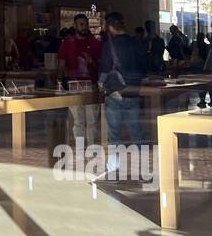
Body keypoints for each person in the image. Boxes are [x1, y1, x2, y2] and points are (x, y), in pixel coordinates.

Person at [98, 11, 146, 179]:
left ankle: (113, 169)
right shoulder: (136, 43)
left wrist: (100, 84)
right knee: (136, 132)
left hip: (116, 93)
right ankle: (143, 167)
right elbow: (144, 66)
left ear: (110, 26)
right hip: (134, 92)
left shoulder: (109, 45)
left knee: (114, 134)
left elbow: (105, 69)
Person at [57, 13, 101, 140]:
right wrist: (59, 82)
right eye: (81, 24)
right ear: (75, 25)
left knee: (92, 119)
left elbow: (101, 63)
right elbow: (61, 63)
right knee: (78, 120)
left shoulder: (94, 42)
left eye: (86, 24)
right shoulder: (67, 43)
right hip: (74, 85)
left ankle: (92, 146)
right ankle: (81, 147)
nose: (84, 27)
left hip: (91, 84)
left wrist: (92, 62)